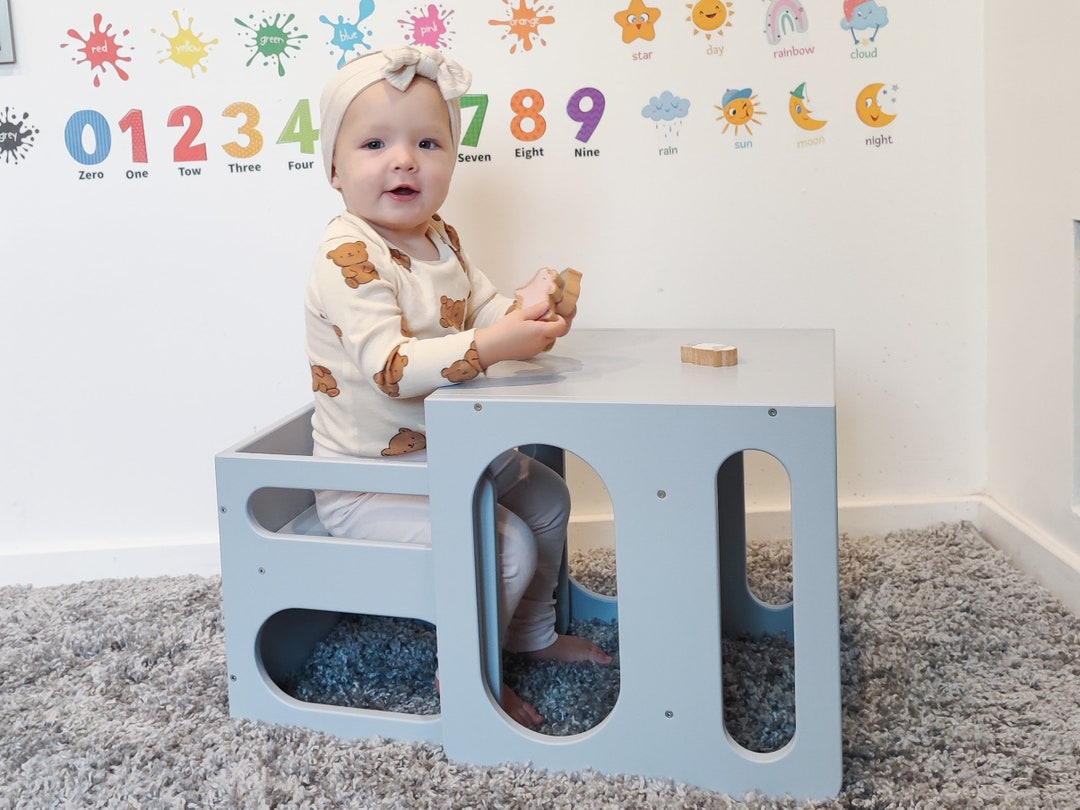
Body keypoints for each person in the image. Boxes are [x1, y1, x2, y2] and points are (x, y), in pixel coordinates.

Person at [305, 45, 611, 729]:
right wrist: (494, 345)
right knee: (507, 546)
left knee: (550, 498)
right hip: (372, 482)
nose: (404, 159)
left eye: (427, 142)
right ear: (333, 168)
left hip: (447, 459)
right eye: (375, 143)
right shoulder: (344, 257)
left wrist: (528, 309)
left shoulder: (438, 238)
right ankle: (470, 677)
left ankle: (528, 633)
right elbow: (392, 367)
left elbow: (483, 310)